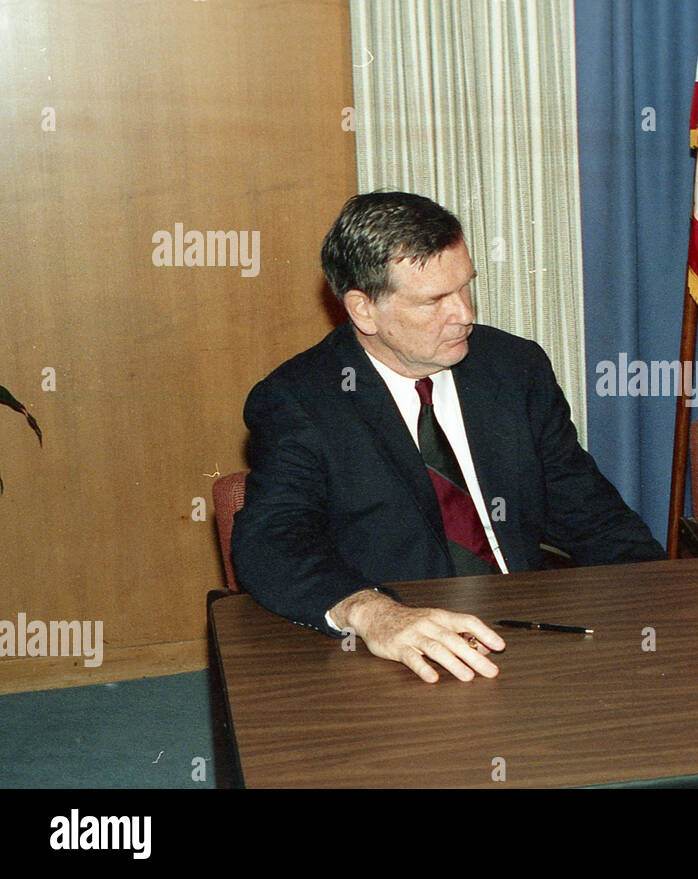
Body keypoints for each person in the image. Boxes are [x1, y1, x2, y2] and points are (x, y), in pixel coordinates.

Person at [232, 191, 664, 684]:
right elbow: (271, 541)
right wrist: (376, 614)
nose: (464, 314)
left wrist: (658, 599)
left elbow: (591, 514)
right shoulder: (301, 401)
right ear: (364, 310)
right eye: (435, 300)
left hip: (524, 632)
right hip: (395, 656)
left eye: (465, 287)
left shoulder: (512, 368)